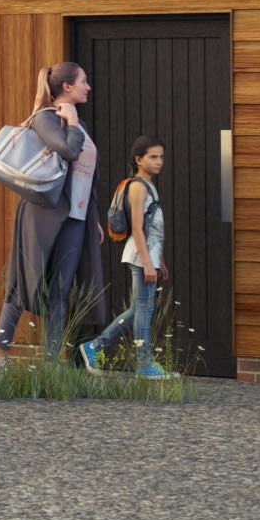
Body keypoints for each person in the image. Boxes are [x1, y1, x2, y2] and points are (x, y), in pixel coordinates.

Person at [0, 61, 100, 358]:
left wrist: (93, 218)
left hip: (76, 217)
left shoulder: (80, 124)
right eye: (83, 82)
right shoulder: (46, 118)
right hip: (43, 214)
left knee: (60, 290)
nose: (88, 87)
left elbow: (88, 175)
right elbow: (67, 151)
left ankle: (52, 360)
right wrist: (72, 123)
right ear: (67, 86)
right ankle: (0, 352)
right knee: (26, 278)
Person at [81, 134, 171, 378]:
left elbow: (154, 229)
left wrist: (159, 261)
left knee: (138, 309)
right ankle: (144, 365)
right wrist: (148, 264)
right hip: (140, 258)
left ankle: (95, 346)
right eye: (153, 157)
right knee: (144, 310)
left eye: (161, 157)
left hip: (147, 257)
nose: (159, 161)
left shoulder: (149, 186)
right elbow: (138, 229)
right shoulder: (138, 187)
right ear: (138, 159)